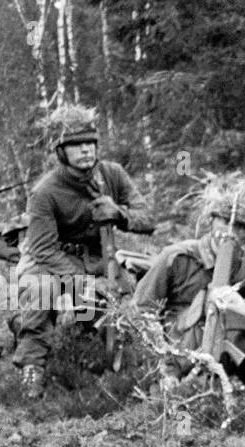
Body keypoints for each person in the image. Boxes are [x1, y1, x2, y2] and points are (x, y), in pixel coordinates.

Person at [12, 104, 155, 398]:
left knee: (124, 298)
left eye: (90, 144)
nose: (87, 151)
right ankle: (32, 367)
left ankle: (118, 358)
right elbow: (42, 249)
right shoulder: (45, 192)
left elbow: (149, 219)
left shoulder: (112, 174)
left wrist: (119, 214)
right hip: (51, 260)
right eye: (77, 146)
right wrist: (84, 282)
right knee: (42, 291)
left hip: (97, 256)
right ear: (61, 152)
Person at [133, 174, 245, 395]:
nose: (231, 232)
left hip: (231, 338)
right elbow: (143, 308)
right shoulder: (177, 257)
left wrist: (242, 310)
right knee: (171, 404)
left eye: (242, 226)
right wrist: (162, 354)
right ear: (211, 220)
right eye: (225, 221)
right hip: (178, 343)